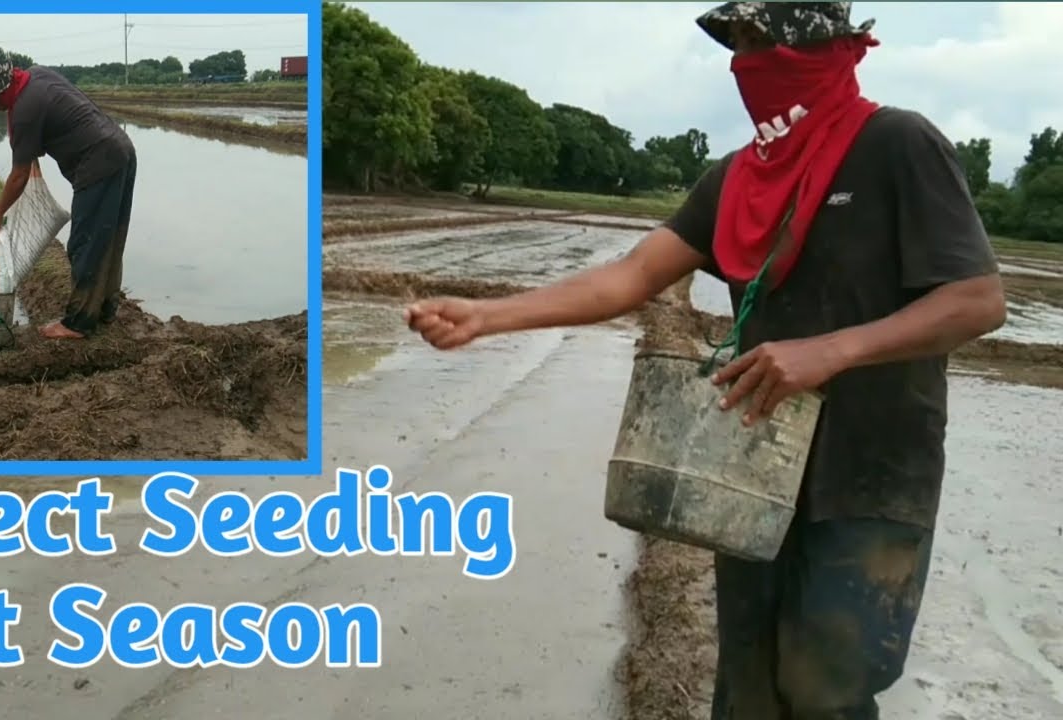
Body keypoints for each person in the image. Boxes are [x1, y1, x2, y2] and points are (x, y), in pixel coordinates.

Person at [404, 3, 1007, 718]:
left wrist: (830, 351)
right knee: (746, 687)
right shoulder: (739, 179)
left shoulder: (897, 145)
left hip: (872, 474)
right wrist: (488, 316)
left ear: (820, 47)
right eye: (738, 44)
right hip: (749, 469)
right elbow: (631, 276)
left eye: (762, 42)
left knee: (825, 688)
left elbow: (976, 300)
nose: (744, 62)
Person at [0, 57, 138, 340]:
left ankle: (79, 323)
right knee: (109, 238)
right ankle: (105, 309)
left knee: (86, 242)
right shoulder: (35, 76)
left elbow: (19, 175)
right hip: (121, 150)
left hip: (99, 162)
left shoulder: (24, 112)